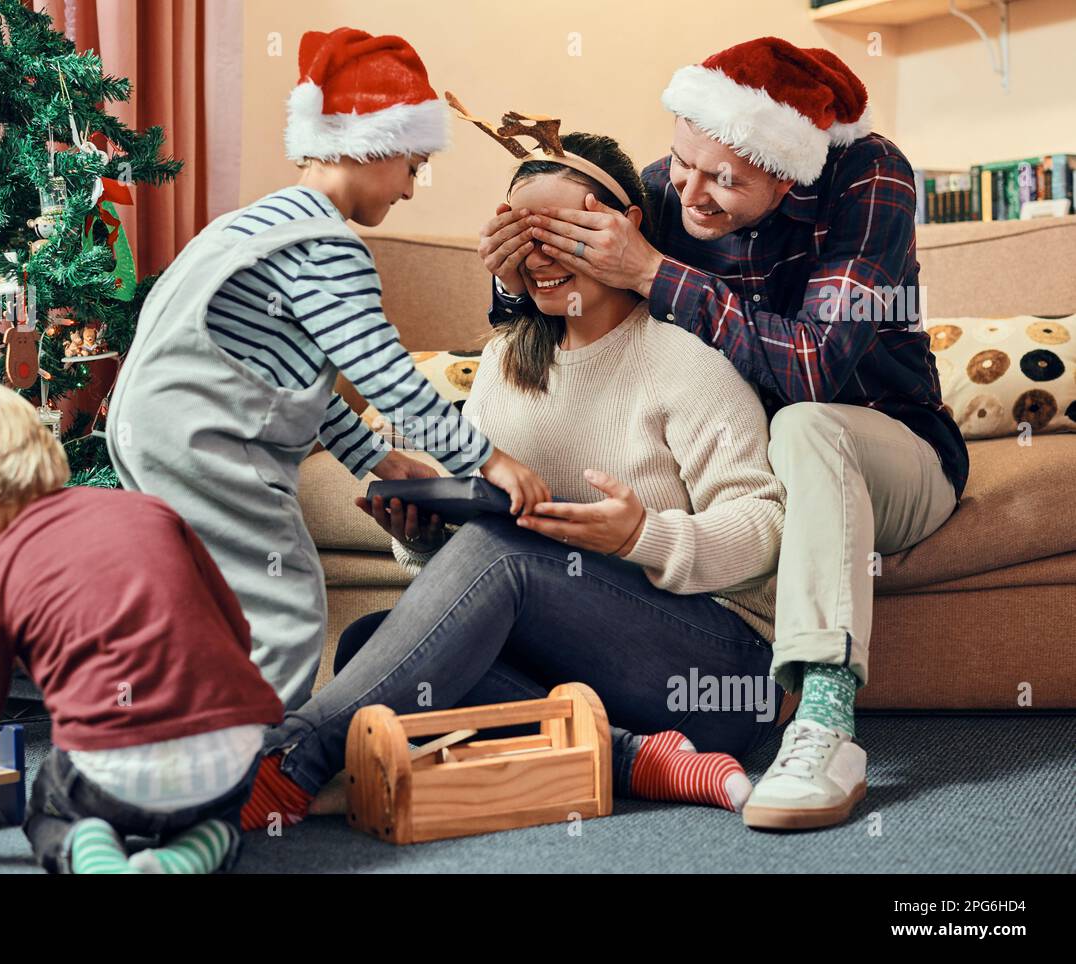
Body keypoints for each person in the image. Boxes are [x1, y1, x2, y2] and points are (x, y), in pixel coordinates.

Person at [236, 130, 789, 832]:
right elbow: (485, 552)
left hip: (723, 675)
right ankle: (634, 759)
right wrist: (427, 536)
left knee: (487, 571)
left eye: (562, 230)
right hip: (599, 675)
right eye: (519, 235)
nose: (540, 256)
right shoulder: (506, 363)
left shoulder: (686, 359)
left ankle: (291, 759)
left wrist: (644, 536)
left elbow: (766, 527)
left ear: (623, 226)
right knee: (371, 647)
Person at [484, 37, 967, 830]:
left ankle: (824, 717)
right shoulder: (663, 190)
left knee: (806, 426)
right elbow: (586, 302)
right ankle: (635, 747)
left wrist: (651, 271)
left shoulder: (870, 177)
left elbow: (814, 366)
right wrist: (510, 283)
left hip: (888, 448)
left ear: (789, 171)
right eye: (681, 164)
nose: (691, 195)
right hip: (756, 464)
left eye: (726, 181)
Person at [107, 27, 547, 713]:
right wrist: (487, 459)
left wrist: (372, 456)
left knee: (201, 599)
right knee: (281, 603)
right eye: (413, 165)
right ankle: (254, 770)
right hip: (212, 439)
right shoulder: (329, 246)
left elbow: (292, 378)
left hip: (155, 427)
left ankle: (169, 741)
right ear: (378, 143)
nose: (410, 189)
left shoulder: (256, 223)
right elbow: (385, 378)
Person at [0, 379, 284, 874]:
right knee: (220, 810)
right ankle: (194, 850)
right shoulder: (149, 510)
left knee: (48, 800)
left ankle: (94, 855)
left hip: (114, 769)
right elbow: (234, 628)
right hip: (230, 750)